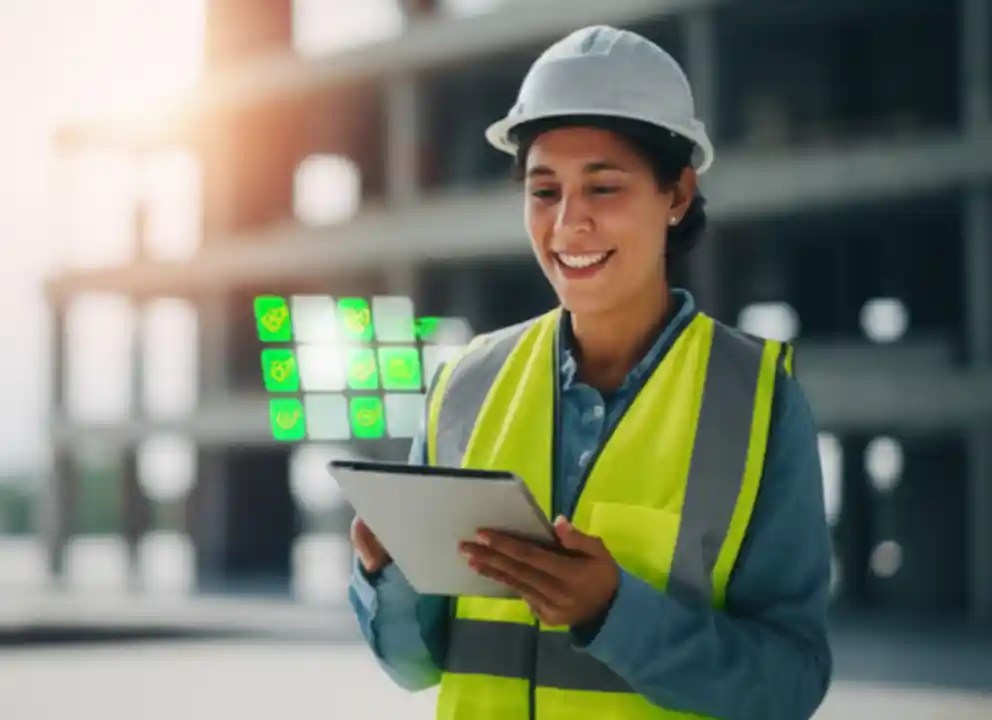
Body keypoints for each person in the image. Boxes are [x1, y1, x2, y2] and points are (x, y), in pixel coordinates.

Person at [347, 25, 832, 720]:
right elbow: (415, 666)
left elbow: (790, 683)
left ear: (677, 194)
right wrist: (385, 576)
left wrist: (615, 613)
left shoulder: (755, 403)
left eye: (603, 188)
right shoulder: (466, 388)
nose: (568, 224)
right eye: (544, 192)